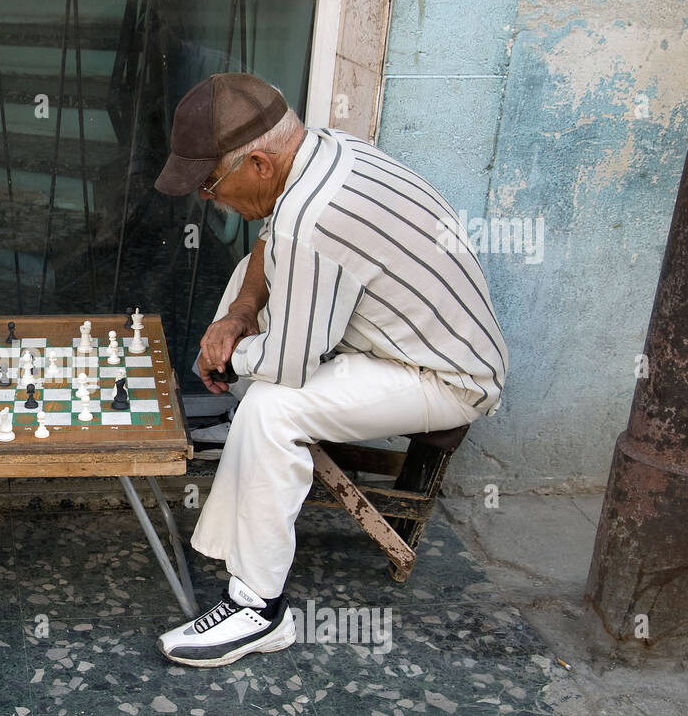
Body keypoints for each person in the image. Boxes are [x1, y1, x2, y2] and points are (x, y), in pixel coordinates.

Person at [152, 73, 509, 667]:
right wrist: (241, 312)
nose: (207, 199)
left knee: (271, 410)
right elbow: (269, 244)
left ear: (259, 164)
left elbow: (290, 364)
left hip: (445, 376)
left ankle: (256, 610)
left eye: (211, 184)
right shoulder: (325, 150)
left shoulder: (311, 219)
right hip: (402, 338)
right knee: (248, 283)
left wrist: (225, 353)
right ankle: (236, 425)